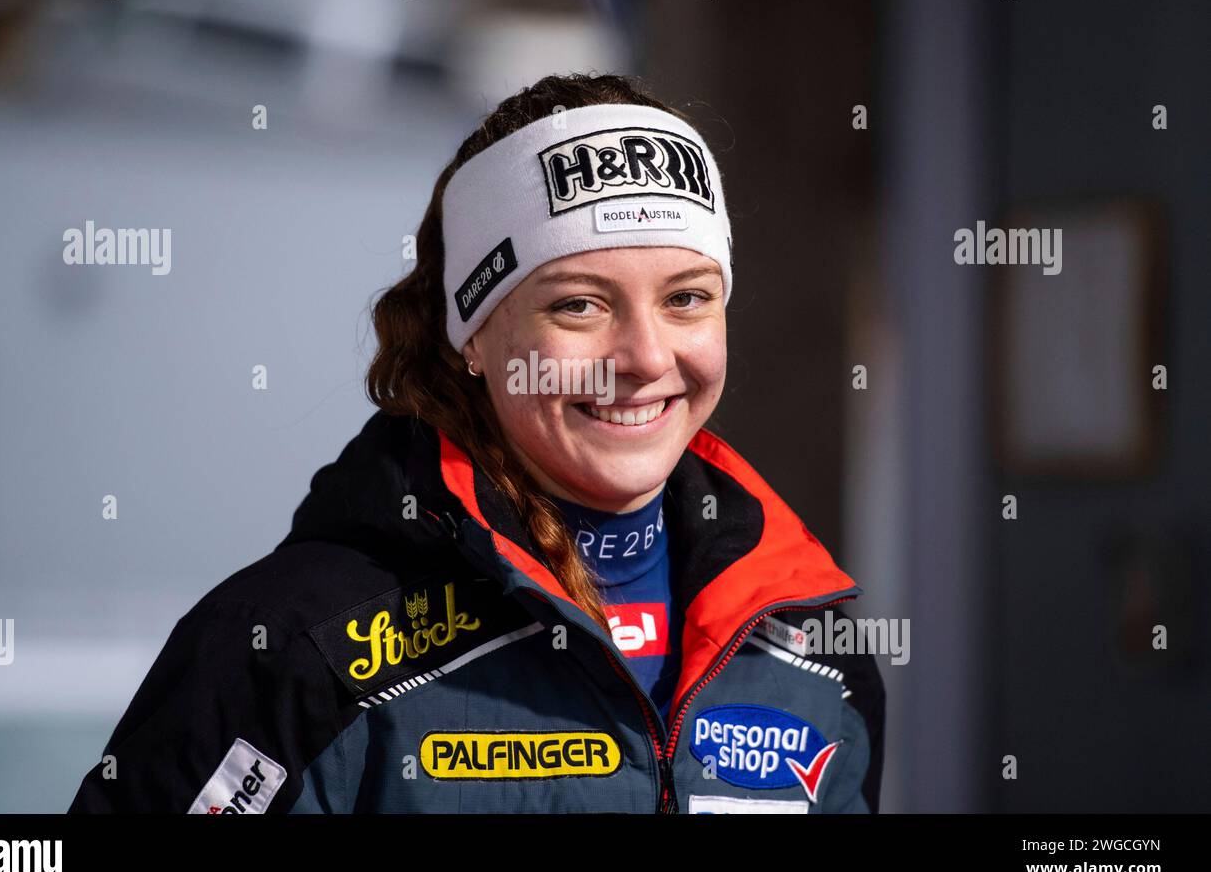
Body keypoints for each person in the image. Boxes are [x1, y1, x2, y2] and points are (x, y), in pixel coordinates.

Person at [68, 72, 885, 814]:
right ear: (475, 339)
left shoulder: (812, 659)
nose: (644, 358)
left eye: (686, 299)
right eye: (579, 306)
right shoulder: (293, 650)